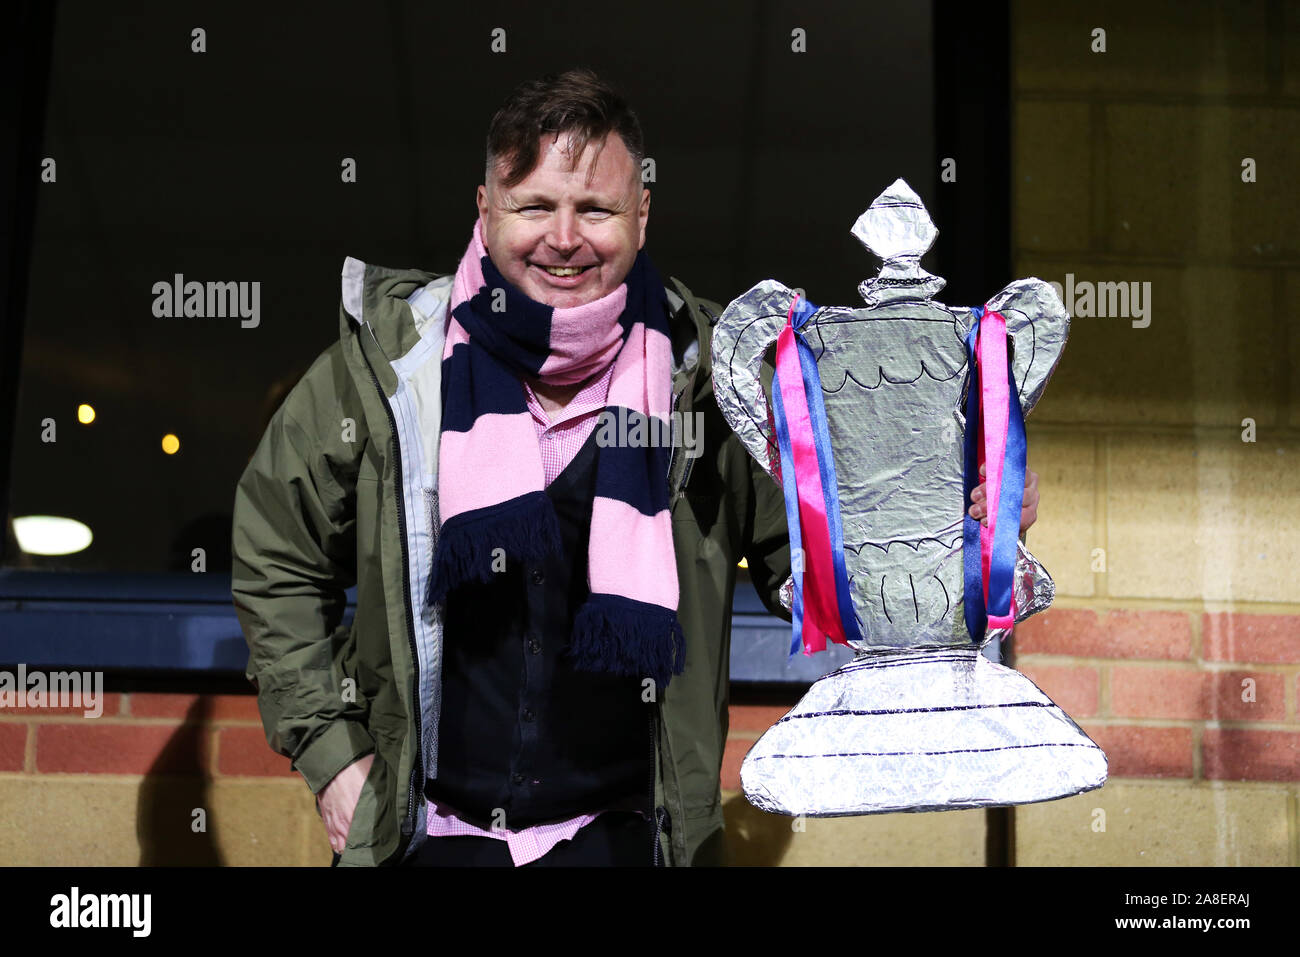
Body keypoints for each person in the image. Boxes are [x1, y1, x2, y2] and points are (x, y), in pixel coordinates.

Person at [230, 68, 1039, 868]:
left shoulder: (717, 377)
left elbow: (815, 559)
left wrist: (951, 535)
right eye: (535, 206)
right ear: (485, 210)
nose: (565, 236)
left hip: (625, 840)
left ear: (641, 215)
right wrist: (332, 753)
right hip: (426, 837)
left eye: (596, 209)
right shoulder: (390, 366)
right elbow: (276, 552)